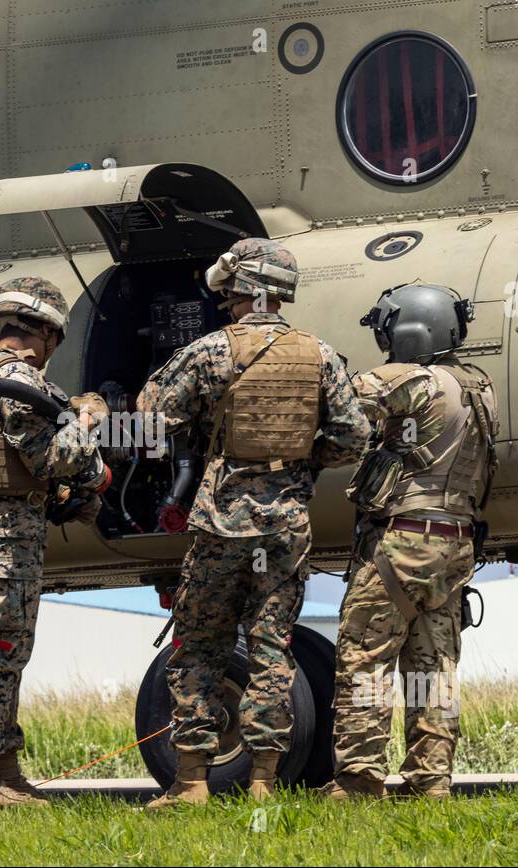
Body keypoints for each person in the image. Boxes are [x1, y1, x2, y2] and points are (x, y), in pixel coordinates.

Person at [136, 238, 370, 808]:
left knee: (198, 647)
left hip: (221, 522)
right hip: (286, 522)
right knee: (272, 648)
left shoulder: (211, 351)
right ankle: (265, 780)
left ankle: (190, 783)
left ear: (238, 289)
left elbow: (152, 420)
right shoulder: (319, 355)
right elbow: (354, 437)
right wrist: (302, 461)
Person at [326, 283, 499, 800]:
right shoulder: (477, 386)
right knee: (433, 666)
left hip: (399, 544)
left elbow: (341, 402)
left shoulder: (409, 381)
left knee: (364, 656)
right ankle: (431, 781)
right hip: (455, 546)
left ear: (406, 332)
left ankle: (358, 780)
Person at [0, 277, 108, 807]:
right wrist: (88, 421)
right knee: (0, 654)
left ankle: (7, 772)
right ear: (46, 331)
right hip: (6, 539)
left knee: (5, 650)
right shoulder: (20, 378)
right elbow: (54, 459)